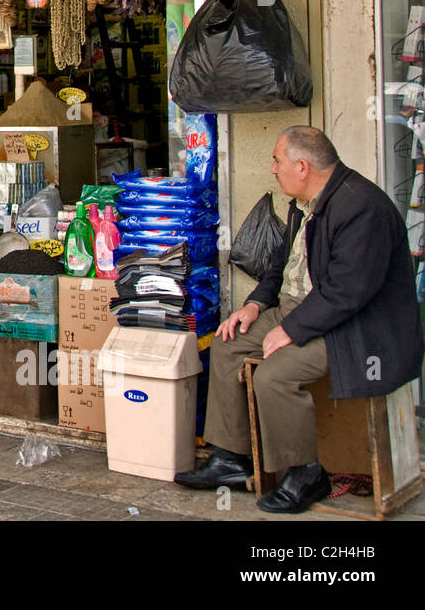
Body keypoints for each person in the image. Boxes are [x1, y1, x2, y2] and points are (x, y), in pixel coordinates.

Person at [175, 127, 425, 513]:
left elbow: (348, 292)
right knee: (228, 343)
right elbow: (279, 265)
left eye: (277, 161)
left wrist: (290, 330)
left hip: (353, 328)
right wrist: (256, 303)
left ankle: (306, 472)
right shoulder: (304, 203)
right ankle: (232, 458)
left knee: (274, 375)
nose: (273, 169)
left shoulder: (361, 208)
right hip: (299, 309)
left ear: (303, 166)